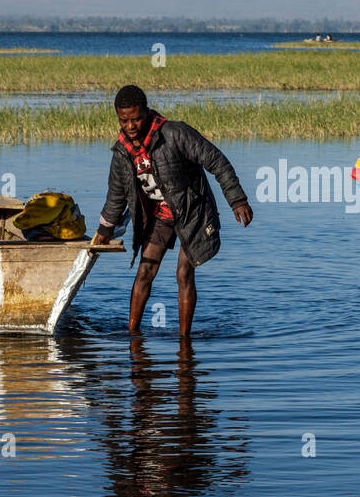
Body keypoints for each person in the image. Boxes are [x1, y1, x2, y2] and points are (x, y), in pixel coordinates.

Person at [91, 84, 253, 336]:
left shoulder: (175, 134)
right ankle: (131, 335)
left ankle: (184, 340)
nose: (130, 126)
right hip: (160, 215)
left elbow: (217, 161)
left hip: (193, 213)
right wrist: (104, 230)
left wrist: (237, 200)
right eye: (124, 121)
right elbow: (116, 195)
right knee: (145, 270)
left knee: (183, 272)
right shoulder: (122, 151)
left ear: (146, 113)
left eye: (135, 119)